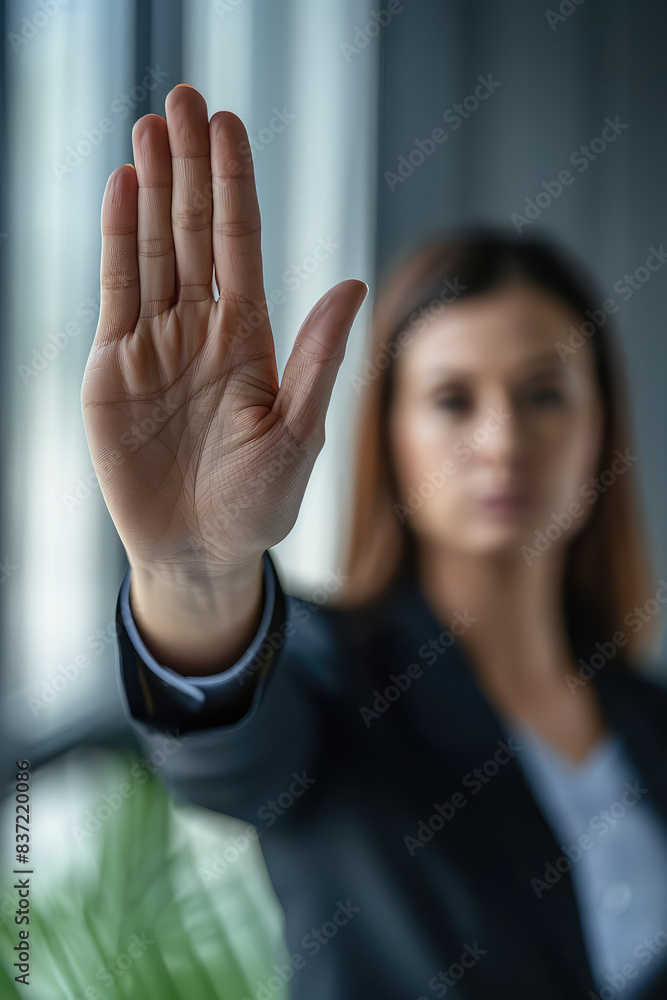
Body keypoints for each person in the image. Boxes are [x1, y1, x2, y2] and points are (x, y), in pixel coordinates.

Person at [82, 83, 667, 1000]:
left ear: (603, 429)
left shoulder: (644, 715)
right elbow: (227, 758)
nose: (502, 440)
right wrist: (194, 573)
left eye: (544, 394)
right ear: (389, 439)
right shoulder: (332, 676)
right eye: (451, 400)